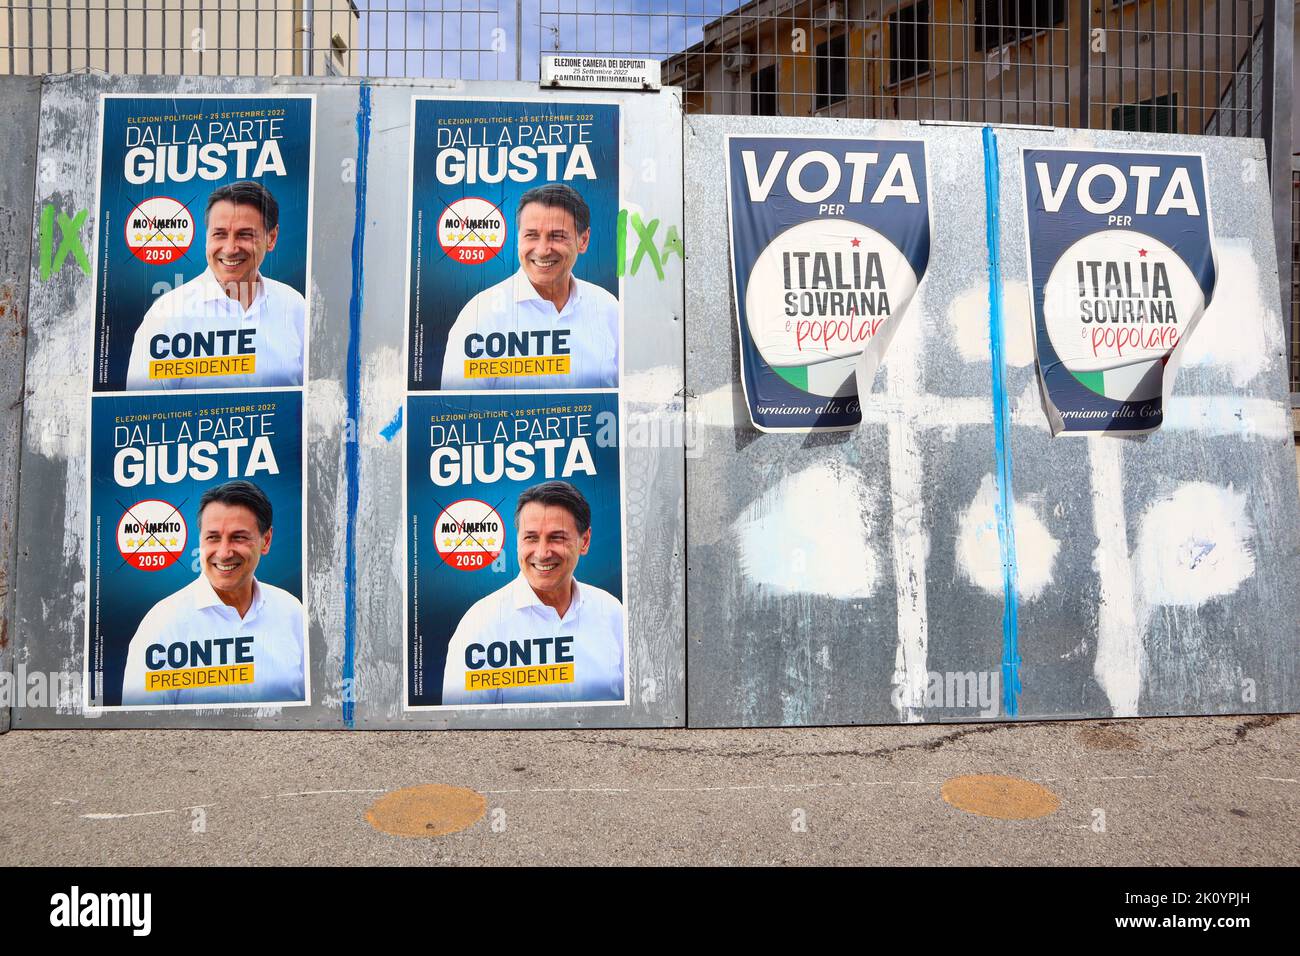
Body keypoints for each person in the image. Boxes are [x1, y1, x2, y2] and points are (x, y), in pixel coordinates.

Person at [120, 480, 305, 707]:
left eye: (239, 537)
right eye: (213, 537)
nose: (224, 552)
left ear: (265, 541)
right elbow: (142, 729)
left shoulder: (292, 611)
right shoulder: (162, 623)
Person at [440, 480, 624, 706]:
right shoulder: (481, 623)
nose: (542, 553)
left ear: (584, 541)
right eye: (531, 538)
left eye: (557, 537)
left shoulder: (612, 611)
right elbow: (463, 731)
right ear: (518, 542)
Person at [125, 181, 306, 391]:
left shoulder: (293, 306)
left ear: (271, 238)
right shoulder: (166, 316)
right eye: (219, 234)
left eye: (245, 234)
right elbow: (143, 413)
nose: (230, 249)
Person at [439, 184, 619, 390]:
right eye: (531, 235)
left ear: (583, 240)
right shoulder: (481, 315)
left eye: (557, 236)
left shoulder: (607, 307)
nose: (542, 250)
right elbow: (460, 413)